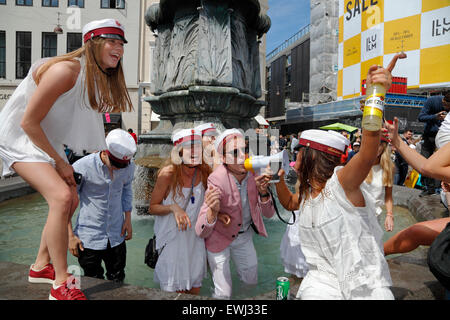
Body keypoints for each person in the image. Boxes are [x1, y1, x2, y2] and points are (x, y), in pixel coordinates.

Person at [0, 18, 132, 300]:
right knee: (61, 197)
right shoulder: (66, 71)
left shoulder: (91, 76)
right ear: (92, 43)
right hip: (18, 139)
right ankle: (61, 285)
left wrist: (61, 160)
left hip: (43, 141)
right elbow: (28, 123)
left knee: (71, 198)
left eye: (121, 43)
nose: (118, 48)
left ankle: (39, 267)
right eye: (112, 41)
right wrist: (61, 163)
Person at [274, 55, 404, 300]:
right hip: (322, 282)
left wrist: (375, 93)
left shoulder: (341, 183)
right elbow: (290, 204)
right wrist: (276, 181)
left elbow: (367, 150)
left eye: (298, 153)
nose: (294, 159)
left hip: (365, 287)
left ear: (312, 156)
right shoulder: (308, 191)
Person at [195, 129, 275, 299]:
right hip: (220, 237)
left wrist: (263, 193)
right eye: (234, 152)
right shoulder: (217, 179)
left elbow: (269, 214)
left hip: (244, 236)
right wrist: (213, 212)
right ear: (223, 159)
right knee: (223, 293)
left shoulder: (256, 174)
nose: (242, 157)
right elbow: (200, 230)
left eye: (244, 150)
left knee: (250, 282)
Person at [149, 129, 211, 294]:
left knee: (195, 291)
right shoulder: (168, 174)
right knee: (174, 292)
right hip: (172, 243)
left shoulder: (204, 172)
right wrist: (173, 207)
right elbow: (152, 207)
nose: (195, 152)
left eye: (198, 147)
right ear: (179, 151)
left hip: (195, 242)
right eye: (189, 147)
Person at [68, 129, 136, 283]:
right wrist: (70, 235)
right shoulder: (82, 167)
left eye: (122, 166)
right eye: (115, 165)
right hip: (89, 238)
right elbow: (66, 202)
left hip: (116, 235)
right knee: (92, 281)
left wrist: (128, 219)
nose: (118, 170)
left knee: (118, 279)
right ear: (104, 152)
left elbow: (126, 190)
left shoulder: (129, 166)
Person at [417, 92, 450, 195]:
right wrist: (435, 117)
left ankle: (441, 190)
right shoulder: (432, 101)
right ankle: (429, 188)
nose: (446, 109)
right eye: (445, 106)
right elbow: (421, 117)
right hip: (430, 136)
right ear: (443, 101)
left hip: (445, 139)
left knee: (443, 165)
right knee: (425, 160)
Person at [363, 134, 395, 232]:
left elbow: (388, 196)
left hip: (375, 215)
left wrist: (389, 215)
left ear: (384, 146)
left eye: (379, 144)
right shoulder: (359, 164)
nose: (375, 147)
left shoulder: (388, 168)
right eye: (372, 143)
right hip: (357, 214)